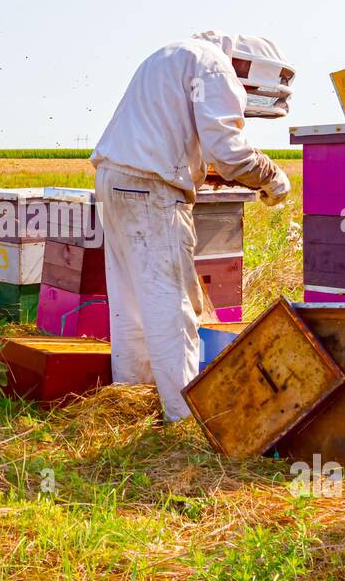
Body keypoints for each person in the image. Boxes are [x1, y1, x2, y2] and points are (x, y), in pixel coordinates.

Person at [89, 31, 294, 420]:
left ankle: (132, 399)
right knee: (173, 307)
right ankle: (183, 418)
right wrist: (271, 178)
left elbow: (169, 134)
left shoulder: (172, 53)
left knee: (131, 303)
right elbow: (230, 152)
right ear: (249, 66)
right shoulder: (215, 66)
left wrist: (201, 171)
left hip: (114, 179)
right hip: (151, 192)